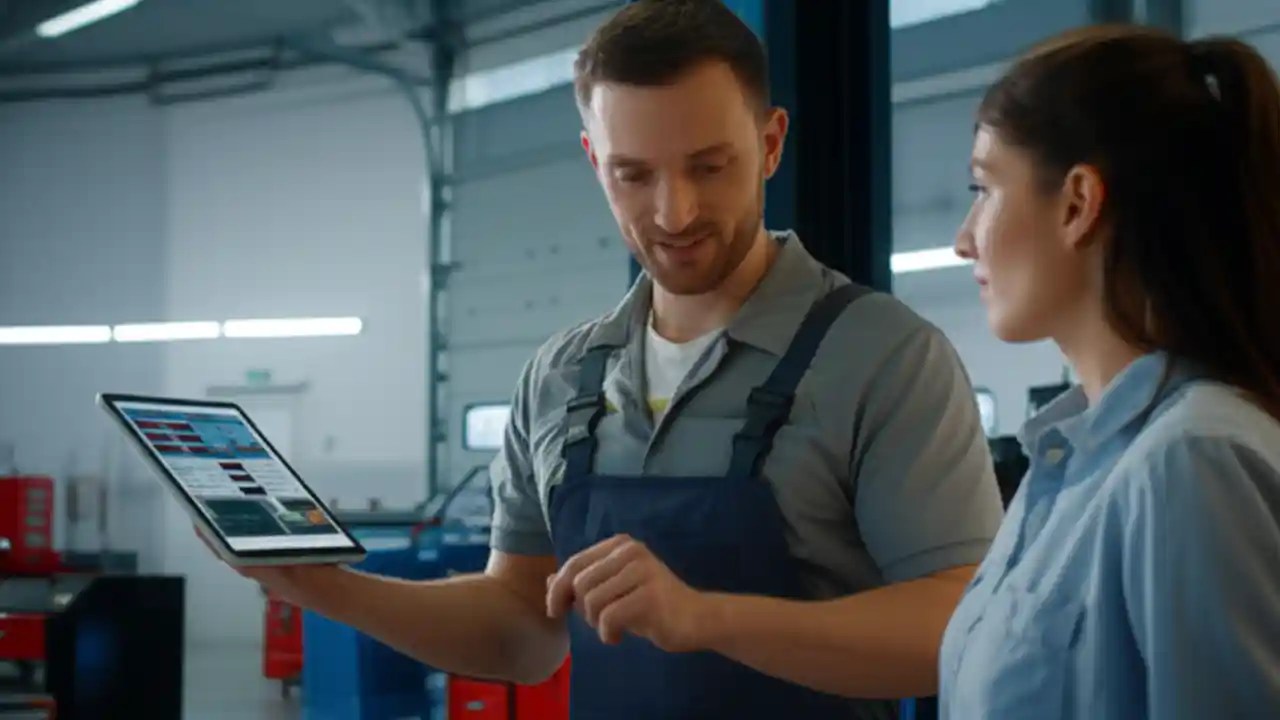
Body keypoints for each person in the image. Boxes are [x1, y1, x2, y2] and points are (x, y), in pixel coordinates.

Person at [217, 2, 1002, 717]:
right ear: (595, 161)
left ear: (769, 145)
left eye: (708, 165)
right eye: (634, 174)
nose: (675, 211)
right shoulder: (561, 377)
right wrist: (327, 589)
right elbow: (523, 634)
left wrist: (707, 617)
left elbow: (963, 624)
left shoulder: (884, 358)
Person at [944, 24, 1280, 719]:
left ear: (1077, 204)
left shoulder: (1192, 459)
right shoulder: (1068, 463)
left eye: (984, 187)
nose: (965, 238)